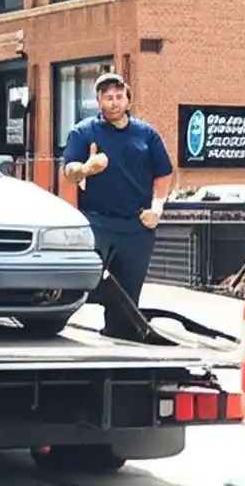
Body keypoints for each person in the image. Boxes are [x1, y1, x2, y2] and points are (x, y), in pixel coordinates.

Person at [61, 72, 174, 336]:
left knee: (128, 293)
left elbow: (164, 173)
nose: (114, 102)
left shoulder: (147, 135)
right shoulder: (84, 132)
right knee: (80, 282)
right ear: (98, 101)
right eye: (108, 97)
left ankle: (120, 336)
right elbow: (68, 172)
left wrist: (156, 209)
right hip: (96, 222)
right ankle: (48, 326)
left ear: (128, 100)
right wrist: (85, 168)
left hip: (136, 225)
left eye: (119, 97)